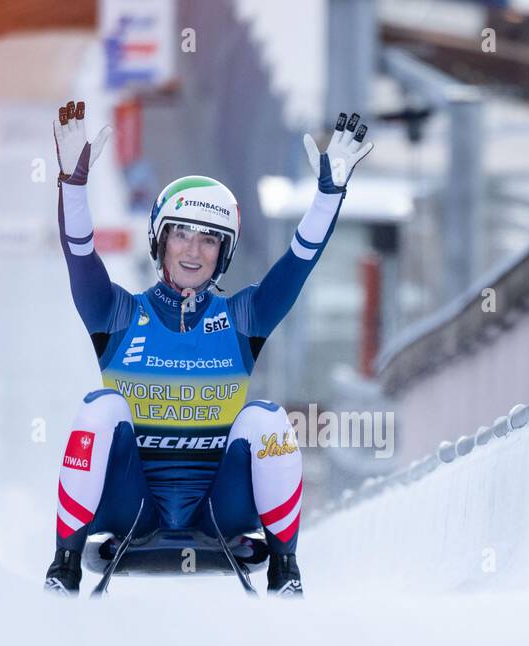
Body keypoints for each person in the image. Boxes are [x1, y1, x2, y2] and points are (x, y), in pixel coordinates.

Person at [43, 100, 373, 596]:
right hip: (133, 503)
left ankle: (287, 571)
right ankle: (63, 566)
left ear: (224, 253)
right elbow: (81, 255)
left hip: (220, 507)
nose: (193, 251)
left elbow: (299, 262)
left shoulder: (242, 318)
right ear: (160, 241)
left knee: (268, 419)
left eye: (209, 240)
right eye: (181, 235)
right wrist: (71, 186)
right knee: (101, 408)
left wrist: (329, 196)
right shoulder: (117, 315)